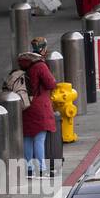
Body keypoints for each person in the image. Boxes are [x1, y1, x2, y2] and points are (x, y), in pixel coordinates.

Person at [18, 38, 57, 175]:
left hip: (26, 104)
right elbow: (51, 84)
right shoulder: (40, 65)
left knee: (28, 137)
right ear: (43, 49)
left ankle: (29, 169)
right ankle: (41, 169)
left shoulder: (25, 63)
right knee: (39, 138)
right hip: (39, 106)